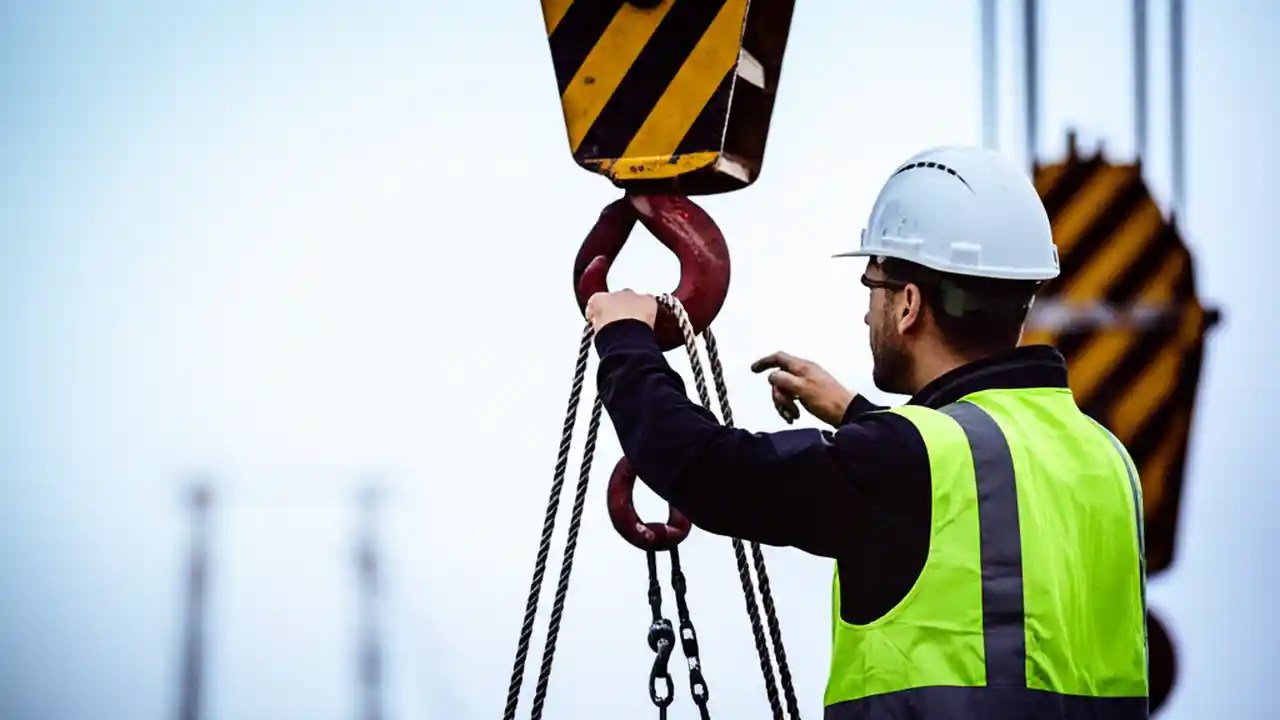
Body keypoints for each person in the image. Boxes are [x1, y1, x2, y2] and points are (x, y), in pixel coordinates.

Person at [584, 145, 1149, 719]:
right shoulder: (1105, 458)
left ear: (908, 305)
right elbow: (968, 510)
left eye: (871, 286)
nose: (865, 313)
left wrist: (626, 337)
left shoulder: (905, 459)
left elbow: (706, 470)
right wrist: (858, 414)